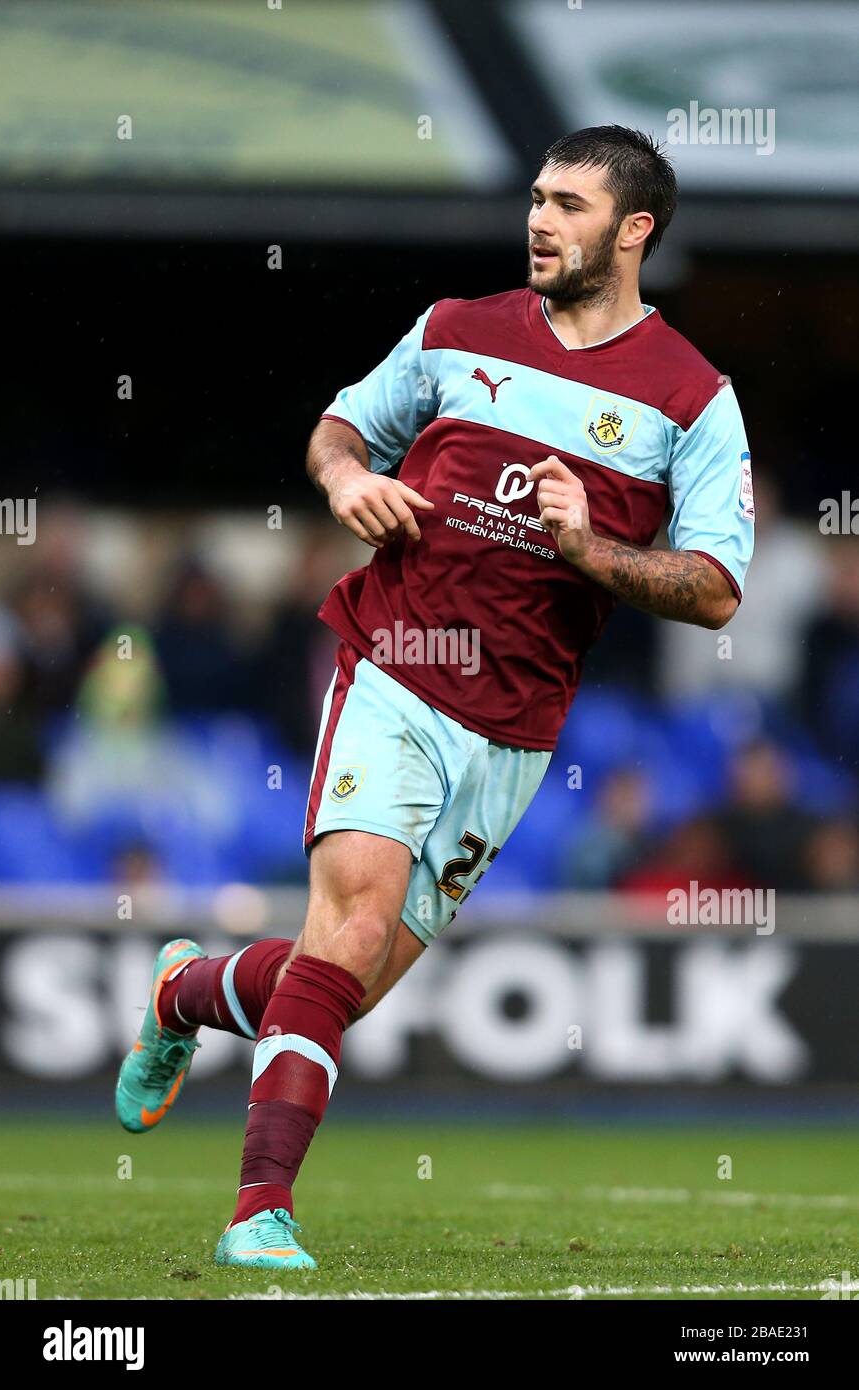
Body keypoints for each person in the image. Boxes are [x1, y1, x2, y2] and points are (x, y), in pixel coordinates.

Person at [115, 126, 754, 1270]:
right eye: (535, 198)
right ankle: (260, 1210)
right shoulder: (457, 328)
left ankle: (184, 993)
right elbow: (340, 428)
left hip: (514, 728)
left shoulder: (690, 399)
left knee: (341, 983)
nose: (539, 220)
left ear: (633, 230)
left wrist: (589, 549)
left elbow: (712, 589)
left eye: (567, 205)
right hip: (394, 667)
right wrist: (347, 477)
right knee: (352, 924)